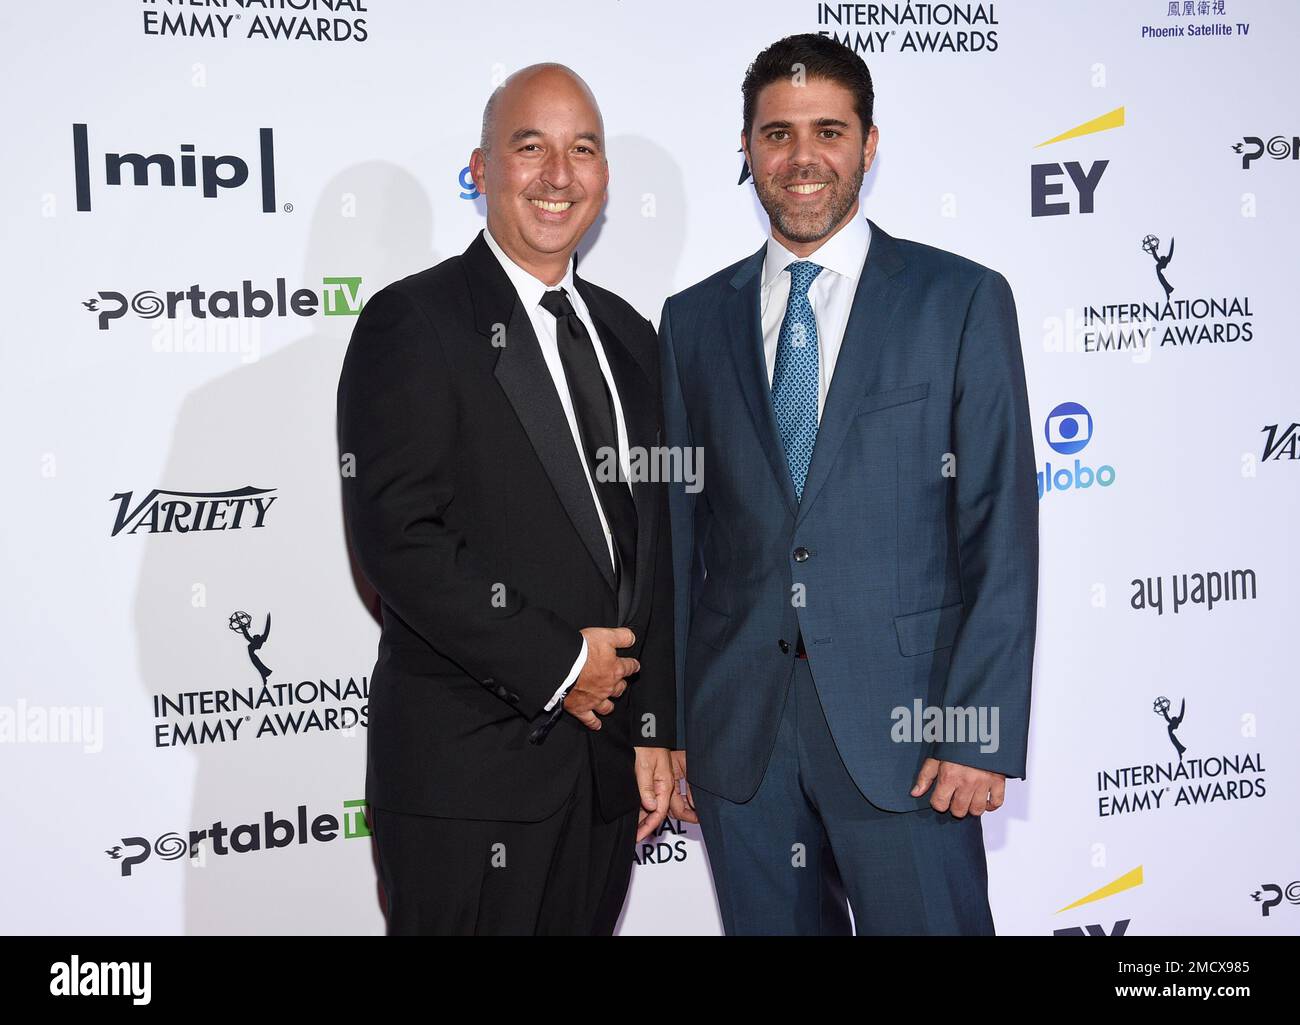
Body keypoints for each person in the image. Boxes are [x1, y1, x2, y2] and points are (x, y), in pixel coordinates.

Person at [660, 34, 1038, 935]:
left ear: (869, 145)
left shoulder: (960, 299)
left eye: (828, 131)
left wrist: (977, 731)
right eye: (776, 133)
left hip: (908, 735)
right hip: (739, 739)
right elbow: (677, 544)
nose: (802, 158)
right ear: (746, 151)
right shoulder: (692, 319)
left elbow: (1001, 526)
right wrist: (668, 726)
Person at [336, 63, 676, 935]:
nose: (558, 175)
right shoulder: (415, 322)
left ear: (603, 177)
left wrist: (652, 723)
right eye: (531, 148)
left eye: (582, 150)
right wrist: (562, 663)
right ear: (482, 169)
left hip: (602, 780)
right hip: (469, 786)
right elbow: (398, 538)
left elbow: (655, 549)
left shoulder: (629, 335)